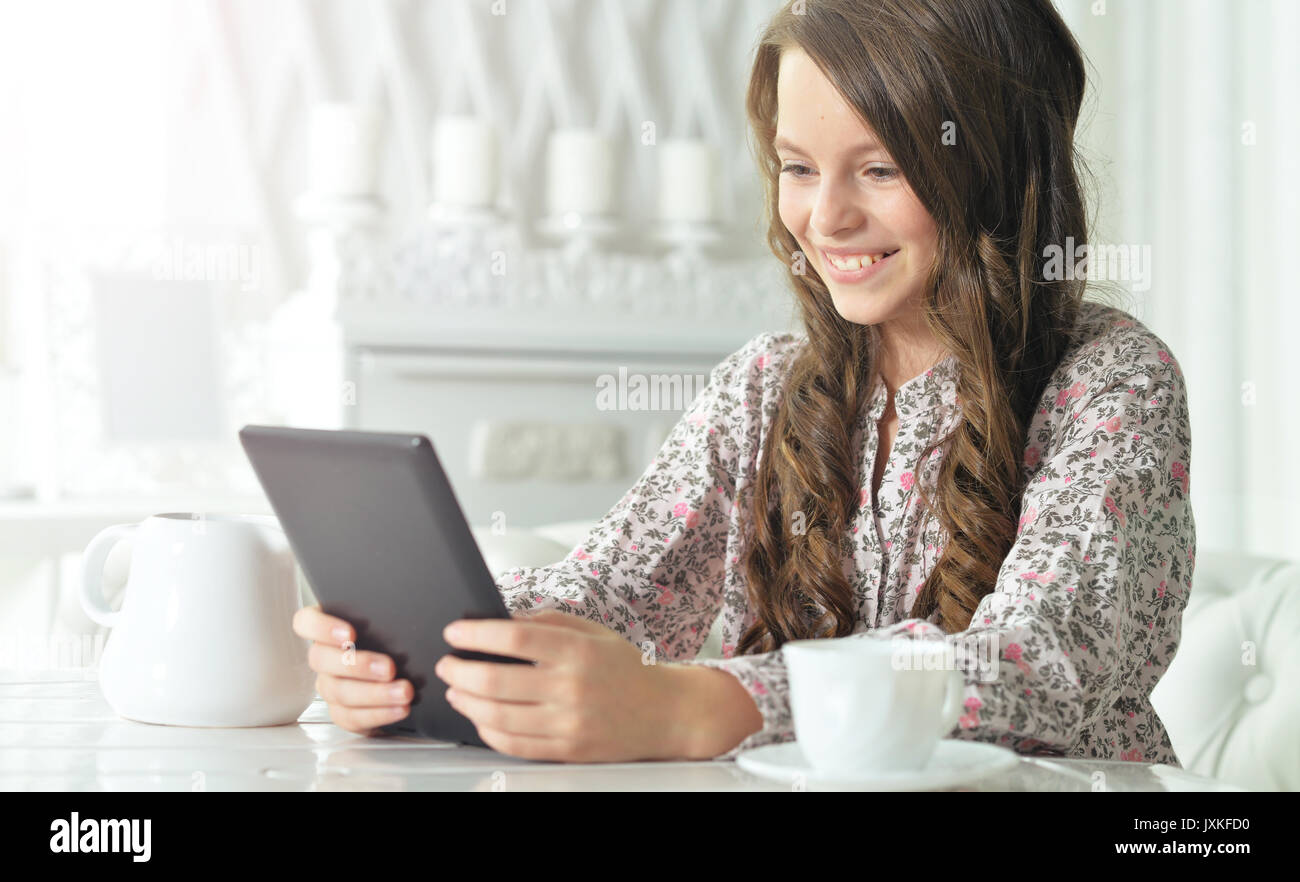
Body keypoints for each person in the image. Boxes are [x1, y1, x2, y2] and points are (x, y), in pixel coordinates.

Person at [294, 0, 1195, 765]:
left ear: (993, 167)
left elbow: (1041, 667)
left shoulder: (1110, 382)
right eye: (799, 168)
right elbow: (611, 593)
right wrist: (416, 643)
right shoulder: (763, 387)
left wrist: (702, 706)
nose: (825, 217)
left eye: (879, 169)